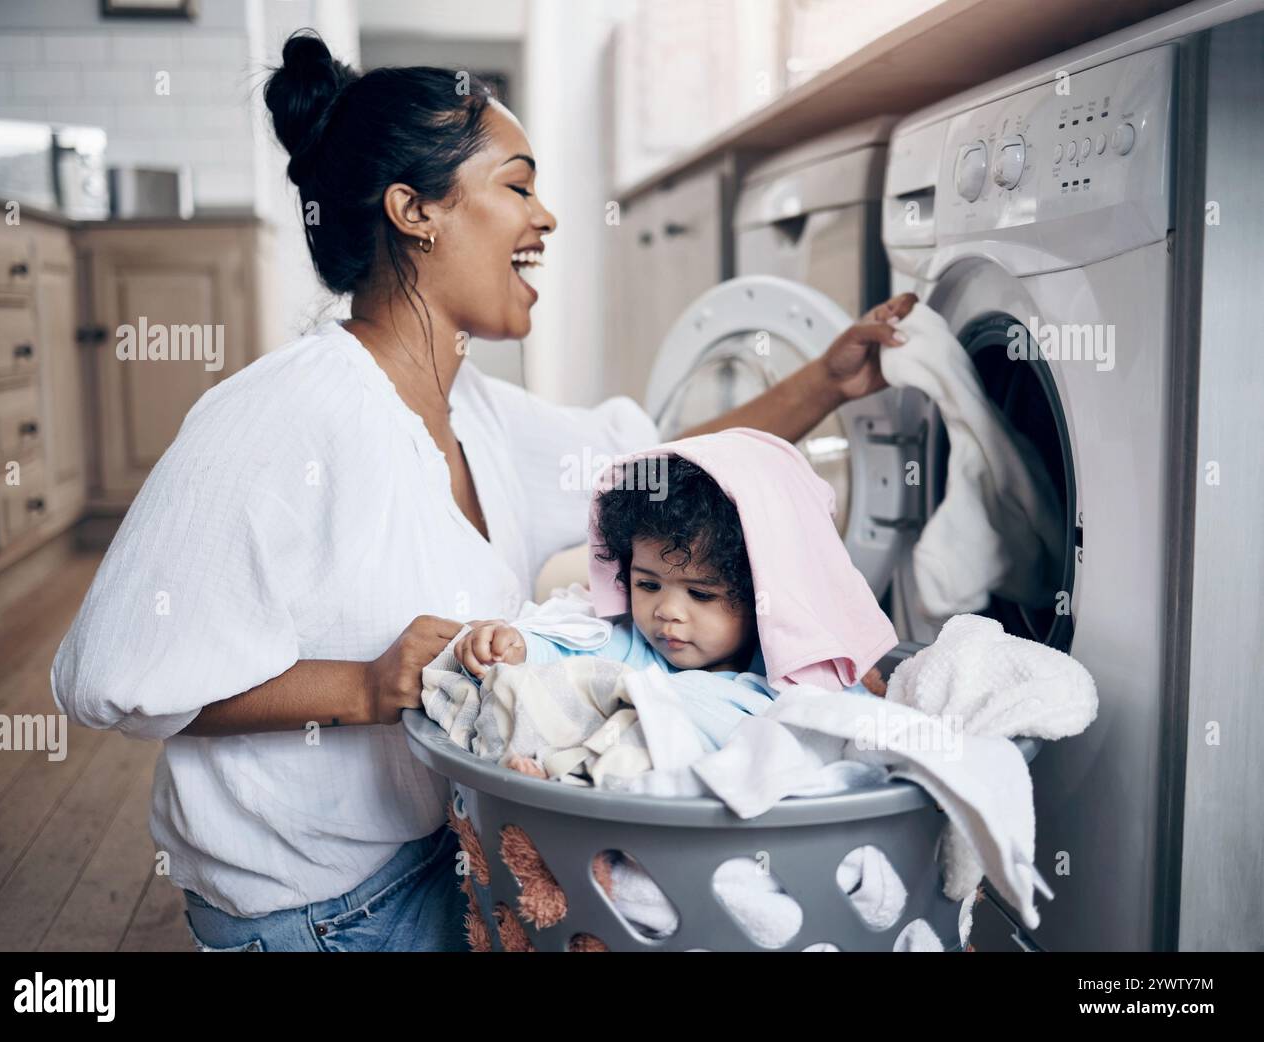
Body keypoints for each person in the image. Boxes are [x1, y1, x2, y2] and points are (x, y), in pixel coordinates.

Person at [50, 28, 916, 952]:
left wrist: (829, 381)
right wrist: (366, 685)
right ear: (415, 211)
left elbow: (662, 473)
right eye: (518, 186)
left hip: (444, 852)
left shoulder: (475, 410)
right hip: (320, 913)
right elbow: (108, 676)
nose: (544, 219)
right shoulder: (276, 418)